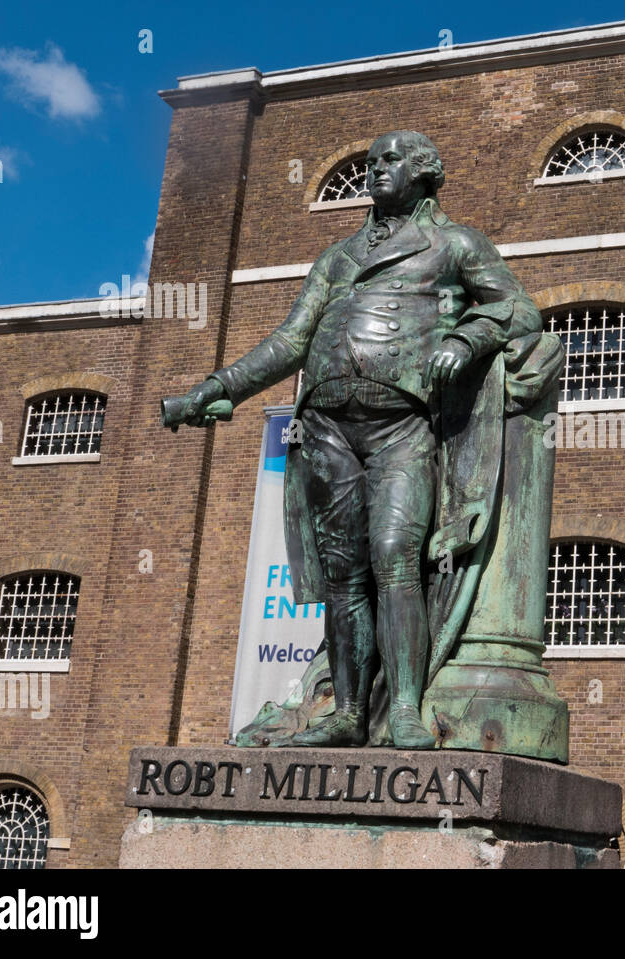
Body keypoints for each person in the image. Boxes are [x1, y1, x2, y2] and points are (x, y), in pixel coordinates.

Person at [168, 131, 543, 747]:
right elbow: (291, 340)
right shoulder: (337, 258)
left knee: (396, 555)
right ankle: (346, 713)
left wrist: (465, 339)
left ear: (424, 172)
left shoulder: (454, 244)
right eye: (368, 164)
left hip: (402, 426)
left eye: (388, 161)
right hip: (326, 431)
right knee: (343, 575)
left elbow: (516, 309)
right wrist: (219, 386)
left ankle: (401, 710)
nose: (374, 172)